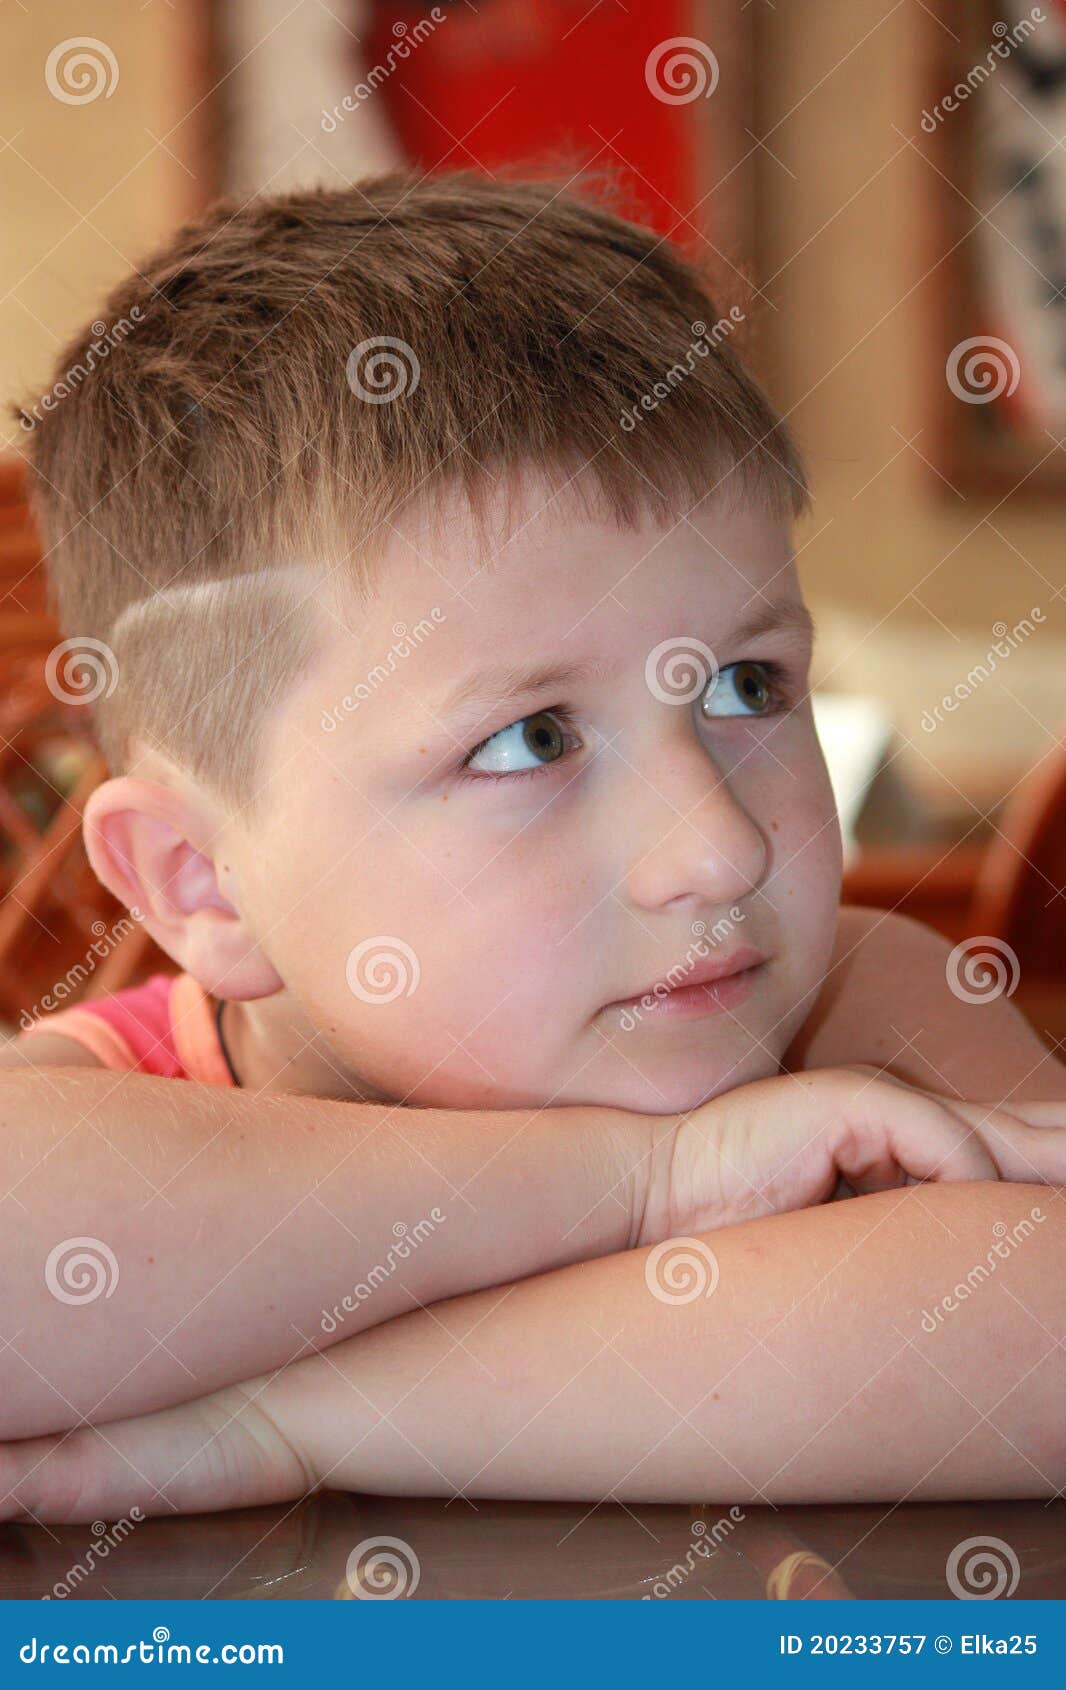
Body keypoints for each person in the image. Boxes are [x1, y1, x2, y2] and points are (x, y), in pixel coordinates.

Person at [2, 170, 1063, 1523]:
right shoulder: (130, 1096)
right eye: (529, 739)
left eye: (744, 686)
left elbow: (1040, 1324)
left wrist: (283, 1406)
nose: (716, 848)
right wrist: (646, 1183)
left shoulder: (859, 1000)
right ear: (201, 882)